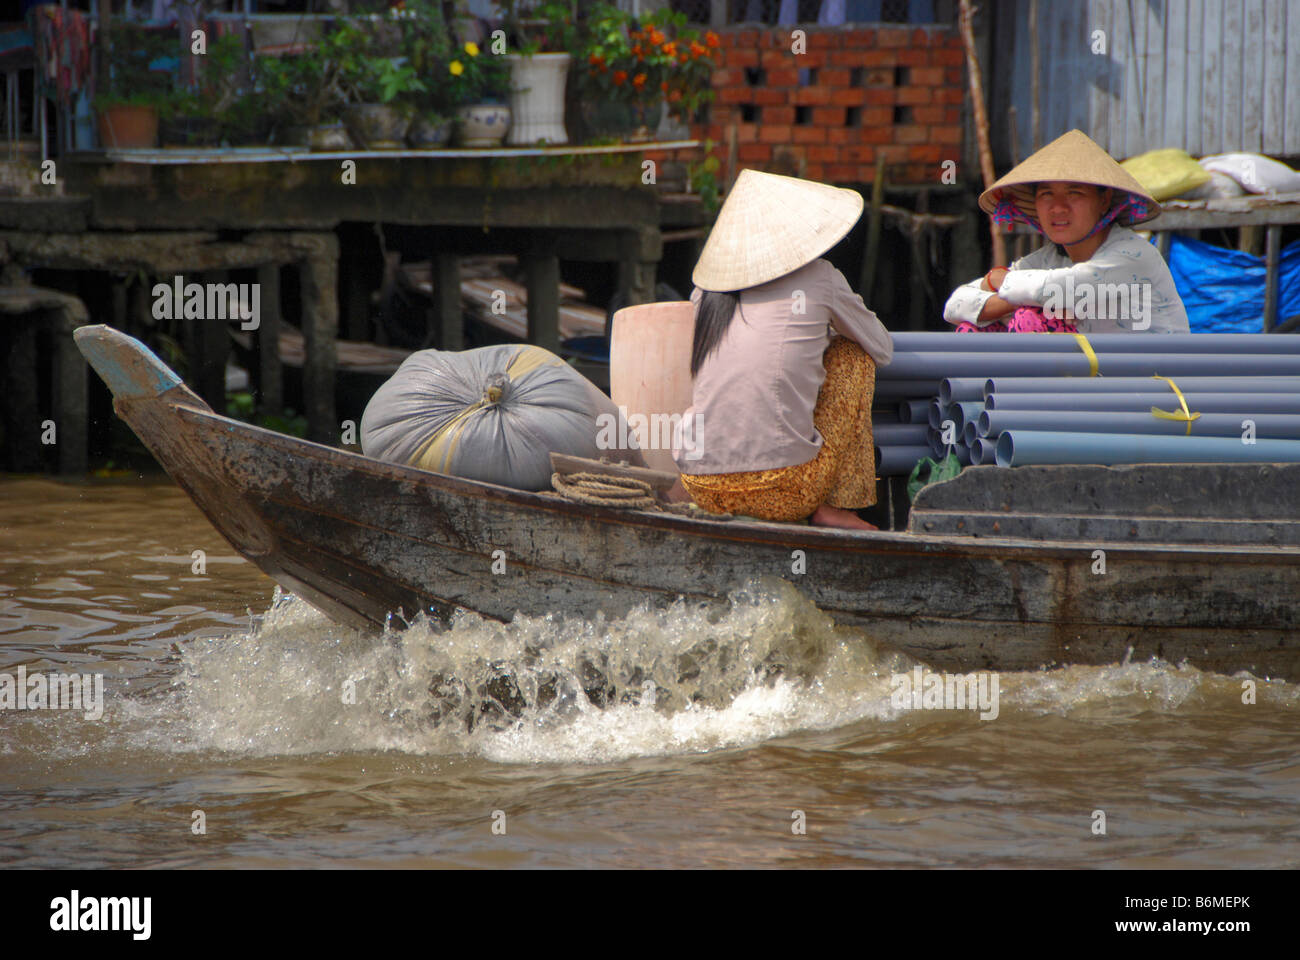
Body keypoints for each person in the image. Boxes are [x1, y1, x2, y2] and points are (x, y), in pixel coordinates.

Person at [671, 169, 893, 531]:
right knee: (853, 356)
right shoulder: (820, 278)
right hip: (785, 489)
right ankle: (838, 506)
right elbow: (882, 348)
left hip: (702, 488)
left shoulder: (704, 295)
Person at [944, 129, 1189, 334]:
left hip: (1149, 384)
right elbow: (955, 306)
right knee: (973, 329)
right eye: (1046, 194)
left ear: (1104, 202)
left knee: (1031, 319)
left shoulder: (1132, 255)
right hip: (1095, 382)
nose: (1058, 208)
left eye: (1075, 193)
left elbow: (1059, 288)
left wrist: (999, 280)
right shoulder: (1048, 259)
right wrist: (1011, 293)